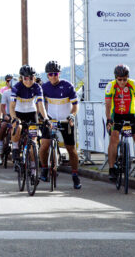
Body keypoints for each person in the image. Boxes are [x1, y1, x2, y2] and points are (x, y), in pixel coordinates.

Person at [105, 64, 135, 182]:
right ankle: (111, 169)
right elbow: (108, 105)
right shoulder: (110, 86)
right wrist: (108, 119)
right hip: (116, 115)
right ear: (115, 78)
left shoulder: (134, 85)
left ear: (128, 77)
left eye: (124, 79)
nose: (122, 82)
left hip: (131, 114)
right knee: (114, 138)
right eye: (119, 79)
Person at [40, 60, 81, 189]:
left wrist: (72, 115)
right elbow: (40, 104)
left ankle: (75, 175)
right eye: (51, 74)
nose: (53, 76)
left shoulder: (68, 86)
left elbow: (75, 105)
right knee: (44, 146)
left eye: (56, 74)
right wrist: (42, 117)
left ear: (59, 74)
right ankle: (45, 169)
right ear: (47, 75)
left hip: (65, 120)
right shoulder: (44, 87)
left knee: (71, 149)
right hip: (51, 120)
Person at [9, 65, 48, 167]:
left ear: (34, 78)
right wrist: (14, 118)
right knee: (17, 127)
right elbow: (12, 107)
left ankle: (33, 165)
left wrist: (46, 118)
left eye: (31, 78)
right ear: (21, 78)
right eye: (26, 78)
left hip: (31, 113)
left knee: (33, 142)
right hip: (18, 112)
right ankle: (15, 148)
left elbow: (41, 105)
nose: (28, 81)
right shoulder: (17, 87)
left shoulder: (37, 87)